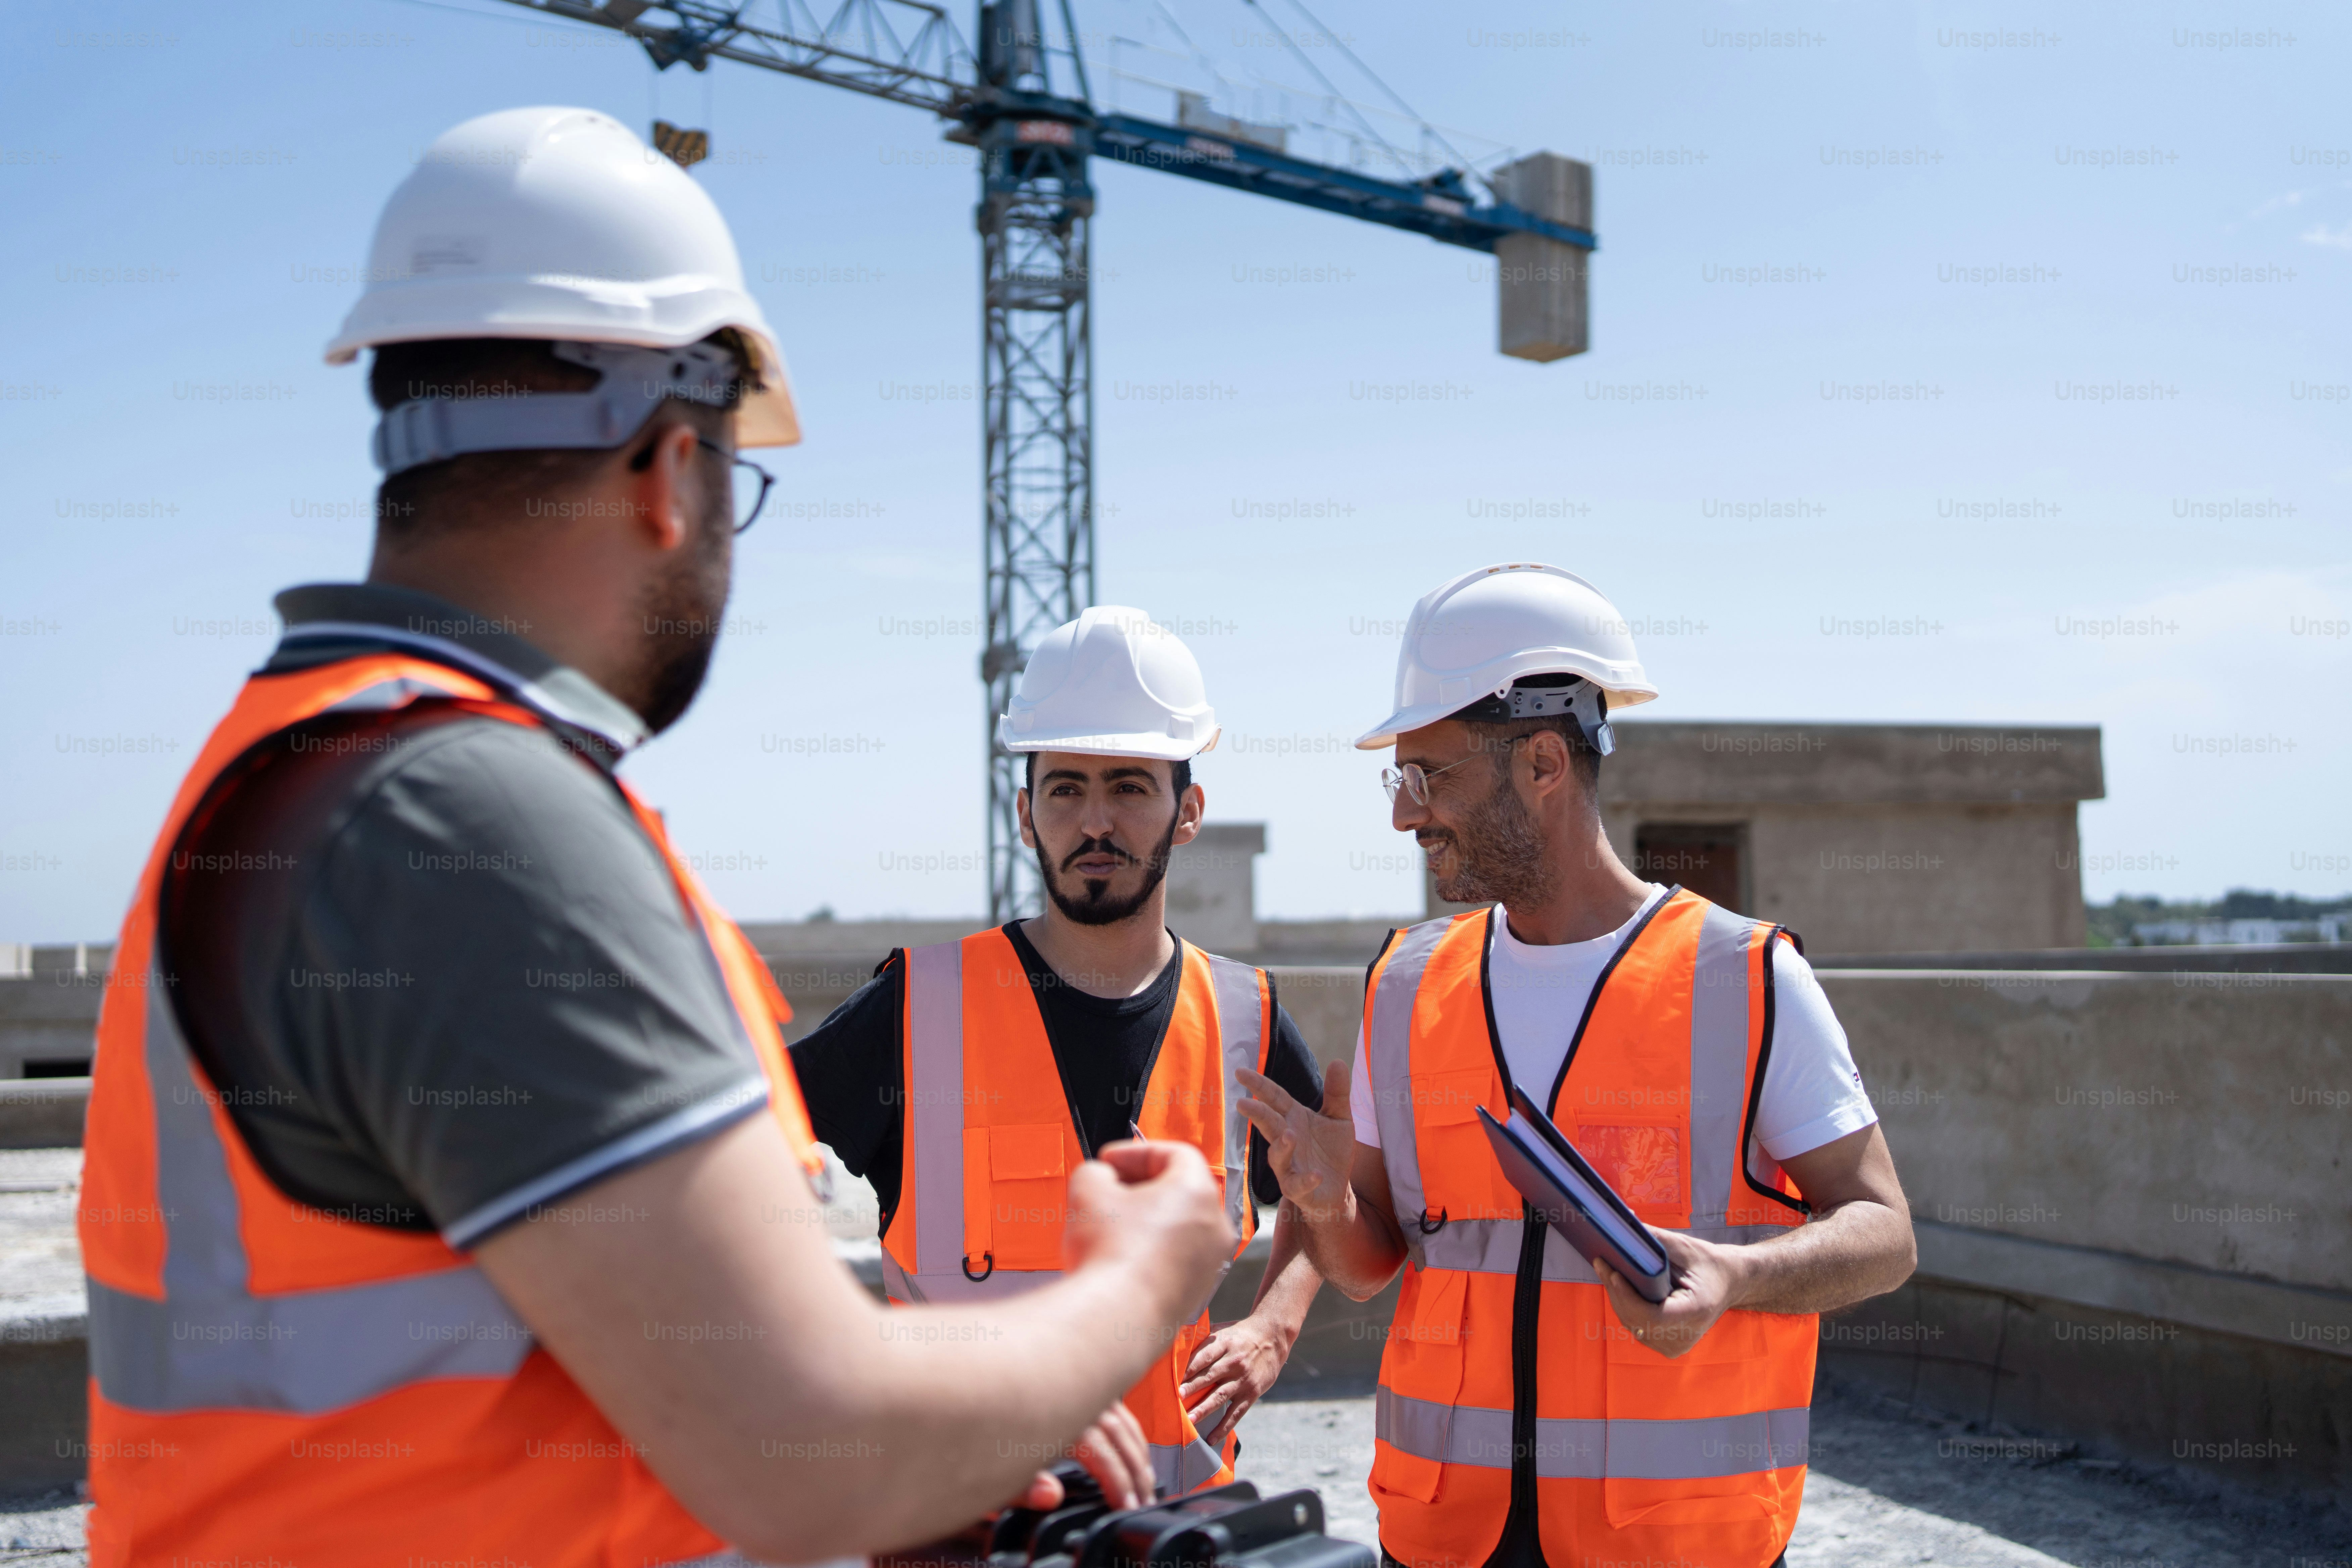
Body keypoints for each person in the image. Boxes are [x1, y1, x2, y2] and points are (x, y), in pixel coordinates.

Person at [77, 106, 1231, 1568]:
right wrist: (1134, 1286)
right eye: (734, 491)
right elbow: (809, 1453)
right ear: (667, 474)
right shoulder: (468, 819)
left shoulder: (327, 764)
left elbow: (619, 1345)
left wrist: (959, 1424)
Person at [1238, 564, 1917, 1568]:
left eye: (1432, 778)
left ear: (1545, 762)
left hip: (1674, 1543)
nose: (1405, 814)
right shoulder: (1409, 982)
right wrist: (1328, 1203)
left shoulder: (1745, 979)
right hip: (1445, 1539)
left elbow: (1885, 1235)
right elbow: (1372, 1267)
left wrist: (1736, 1275)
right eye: (1401, 779)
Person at [791, 606, 1328, 1501]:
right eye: (1066, 789)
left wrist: (1276, 1322)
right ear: (1025, 813)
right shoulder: (919, 1007)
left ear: (1187, 812)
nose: (1095, 820)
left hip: (1178, 1520)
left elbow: (1326, 1193)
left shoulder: (1245, 1017)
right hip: (964, 1527)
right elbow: (738, 1160)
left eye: (1129, 786)